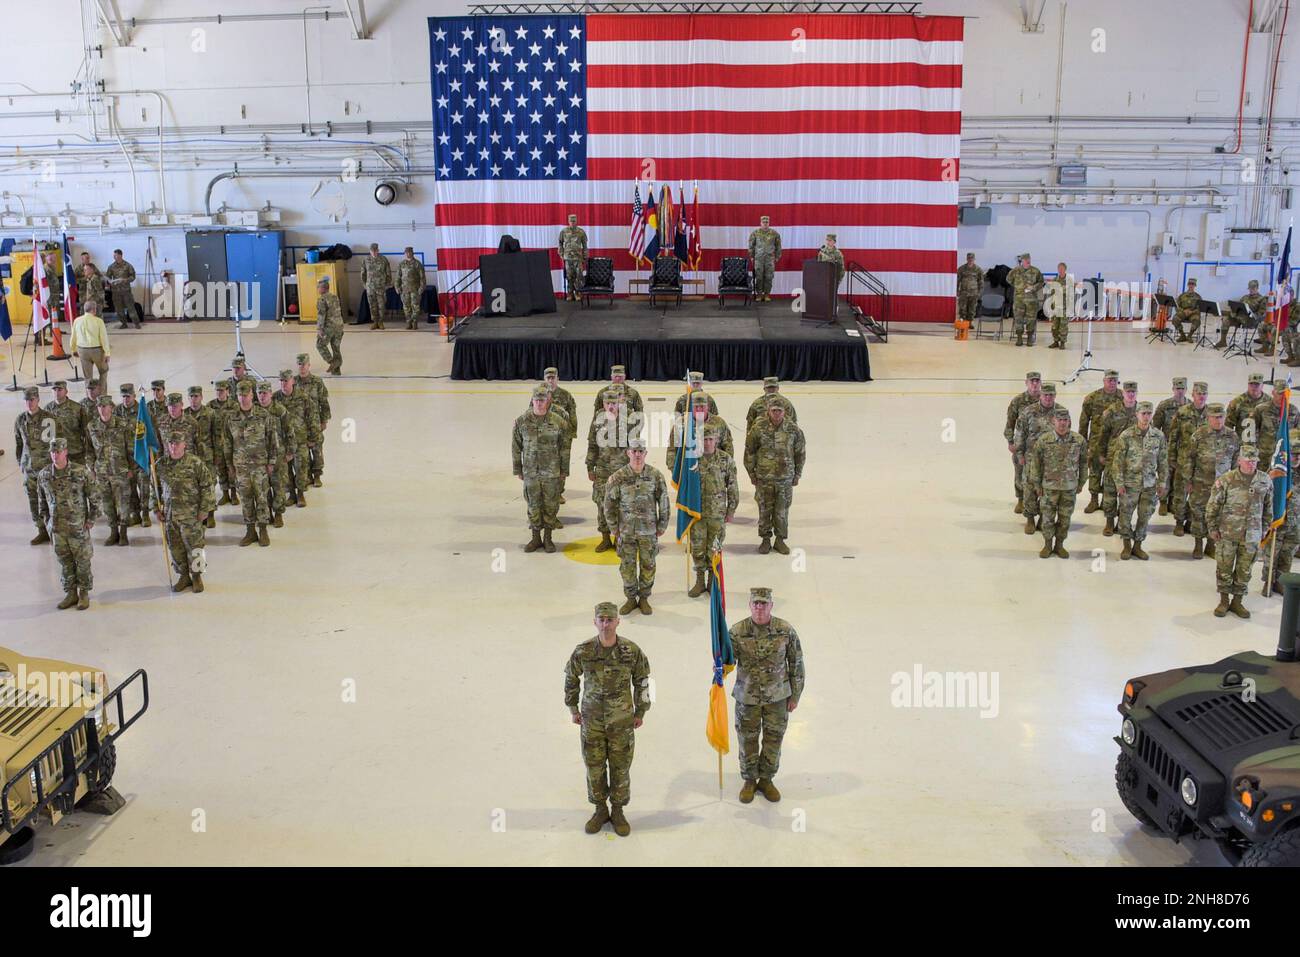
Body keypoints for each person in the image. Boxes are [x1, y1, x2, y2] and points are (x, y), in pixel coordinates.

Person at [563, 602, 651, 837]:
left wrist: (641, 711)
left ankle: (619, 811)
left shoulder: (631, 651)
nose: (605, 624)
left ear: (617, 622)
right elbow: (571, 678)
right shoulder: (584, 651)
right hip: (591, 721)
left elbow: (643, 679)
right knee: (594, 767)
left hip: (621, 721)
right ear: (595, 622)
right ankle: (600, 809)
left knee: (621, 767)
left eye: (610, 619)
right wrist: (572, 708)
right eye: (601, 619)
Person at [730, 587, 804, 804]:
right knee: (747, 740)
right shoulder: (737, 631)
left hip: (778, 698)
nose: (760, 608)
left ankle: (767, 779)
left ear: (771, 606)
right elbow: (727, 661)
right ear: (750, 605)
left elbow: (796, 663)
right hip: (747, 698)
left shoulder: (785, 630)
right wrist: (719, 664)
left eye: (764, 603)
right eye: (756, 603)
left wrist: (795, 696)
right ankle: (749, 780)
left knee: (774, 739)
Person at [603, 437, 670, 615]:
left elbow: (663, 501)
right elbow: (608, 504)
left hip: (648, 531)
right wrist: (613, 527)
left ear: (646, 453)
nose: (637, 455)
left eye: (641, 451)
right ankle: (631, 598)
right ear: (628, 453)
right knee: (627, 566)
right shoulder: (618, 477)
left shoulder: (655, 476)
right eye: (634, 451)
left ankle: (645, 598)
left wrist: (662, 524)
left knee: (648, 565)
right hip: (626, 532)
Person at [1206, 445, 1272, 619]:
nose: (1251, 464)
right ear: (1239, 460)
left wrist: (1264, 529)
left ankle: (1237, 601)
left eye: (1254, 461)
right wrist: (1212, 527)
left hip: (1252, 534)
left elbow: (1268, 509)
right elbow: (1213, 505)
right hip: (1227, 532)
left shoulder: (1265, 480)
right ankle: (1224, 600)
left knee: (1245, 570)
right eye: (1247, 461)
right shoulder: (1226, 479)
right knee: (1224, 567)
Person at [37, 438, 97, 610]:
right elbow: (42, 502)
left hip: (78, 527)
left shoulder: (80, 472)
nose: (56, 455)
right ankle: (70, 593)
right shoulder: (44, 475)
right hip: (57, 529)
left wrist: (91, 519)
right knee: (65, 562)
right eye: (53, 452)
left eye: (59, 451)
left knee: (83, 561)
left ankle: (84, 593)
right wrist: (47, 523)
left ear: (66, 452)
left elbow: (95, 497)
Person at [152, 434, 215, 594]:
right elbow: (155, 489)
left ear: (184, 444)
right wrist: (155, 508)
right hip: (170, 515)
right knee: (176, 548)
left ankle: (197, 577)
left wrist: (204, 509)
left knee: (195, 547)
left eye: (177, 443)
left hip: (191, 515)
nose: (174, 446)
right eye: (171, 443)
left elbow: (208, 486)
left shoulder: (194, 463)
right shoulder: (160, 465)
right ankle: (183, 577)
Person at [745, 396, 805, 555]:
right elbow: (750, 451)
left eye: (779, 411)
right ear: (768, 411)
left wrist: (797, 474)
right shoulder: (758, 428)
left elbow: (800, 453)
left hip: (785, 479)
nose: (777, 414)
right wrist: (751, 473)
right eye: (774, 411)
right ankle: (765, 540)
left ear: (785, 412)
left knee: (782, 510)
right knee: (764, 510)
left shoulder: (793, 430)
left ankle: (780, 540)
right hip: (764, 478)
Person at [512, 385, 569, 553]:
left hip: (551, 472)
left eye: (542, 400)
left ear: (547, 401)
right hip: (531, 472)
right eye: (536, 400)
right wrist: (518, 469)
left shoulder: (559, 422)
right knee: (533, 505)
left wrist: (563, 470)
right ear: (532, 401)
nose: (539, 403)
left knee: (551, 505)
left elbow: (564, 448)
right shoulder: (522, 421)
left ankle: (548, 538)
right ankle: (535, 538)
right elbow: (516, 447)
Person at [1110, 401, 1168, 561]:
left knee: (1145, 515)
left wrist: (1162, 482)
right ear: (1137, 414)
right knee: (1125, 515)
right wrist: (1119, 483)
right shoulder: (1127, 436)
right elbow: (1118, 461)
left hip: (1149, 484)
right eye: (1143, 413)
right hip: (1130, 484)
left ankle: (1138, 545)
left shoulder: (1158, 436)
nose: (1146, 417)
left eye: (1149, 414)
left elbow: (1163, 461)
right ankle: (1126, 545)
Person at [224, 380, 280, 547]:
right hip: (240, 467)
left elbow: (272, 440)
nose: (243, 399)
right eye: (240, 395)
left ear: (252, 395)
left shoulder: (264, 416)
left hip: (259, 466)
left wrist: (271, 462)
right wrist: (230, 465)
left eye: (246, 395)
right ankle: (250, 531)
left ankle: (263, 530)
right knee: (246, 499)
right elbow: (227, 443)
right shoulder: (231, 418)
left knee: (262, 497)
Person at [1182, 403, 1241, 561]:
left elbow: (1236, 460)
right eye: (1215, 417)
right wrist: (1188, 480)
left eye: (1221, 417)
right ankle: (1198, 543)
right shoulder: (1198, 435)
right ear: (1208, 418)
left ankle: (1211, 543)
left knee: (1217, 515)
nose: (1218, 420)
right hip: (1201, 483)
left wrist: (1235, 482)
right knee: (1198, 514)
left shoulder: (1232, 436)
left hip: (1222, 485)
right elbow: (1189, 459)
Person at [1026, 408, 1086, 558]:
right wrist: (1037, 485)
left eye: (1065, 420)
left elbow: (1084, 463)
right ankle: (1047, 545)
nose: (1062, 423)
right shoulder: (1044, 440)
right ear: (1053, 422)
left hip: (1069, 487)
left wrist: (1081, 483)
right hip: (1049, 487)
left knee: (1065, 518)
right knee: (1047, 518)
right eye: (1059, 420)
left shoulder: (1078, 441)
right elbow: (1036, 464)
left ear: (1069, 422)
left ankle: (1059, 545)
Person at [689, 422, 739, 596]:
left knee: (714, 547)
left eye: (711, 439)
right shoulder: (692, 460)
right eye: (704, 439)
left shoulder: (725, 460)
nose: (708, 442)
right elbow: (684, 488)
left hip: (717, 514)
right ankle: (699, 580)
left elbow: (732, 486)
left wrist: (731, 510)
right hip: (697, 514)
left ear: (716, 440)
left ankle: (712, 579)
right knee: (697, 547)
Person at [587, 388, 637, 553]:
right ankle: (605, 539)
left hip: (622, 471)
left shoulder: (628, 418)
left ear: (619, 402)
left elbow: (635, 445)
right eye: (607, 403)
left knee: (623, 506)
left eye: (613, 403)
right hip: (602, 471)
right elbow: (592, 444)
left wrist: (635, 468)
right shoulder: (598, 418)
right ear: (603, 403)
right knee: (602, 505)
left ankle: (619, 539)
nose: (610, 406)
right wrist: (590, 466)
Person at [87, 394, 134, 547]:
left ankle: (124, 532)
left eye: (105, 406)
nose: (102, 409)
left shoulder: (123, 424)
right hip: (101, 472)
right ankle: (113, 531)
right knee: (107, 503)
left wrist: (131, 468)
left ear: (112, 408)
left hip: (120, 470)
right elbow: (89, 450)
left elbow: (131, 448)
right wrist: (91, 468)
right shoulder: (92, 426)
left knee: (124, 502)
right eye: (100, 406)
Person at [1013, 383, 1058, 534]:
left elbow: (1066, 433)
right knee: (1030, 489)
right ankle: (1030, 519)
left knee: (1048, 490)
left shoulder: (1060, 412)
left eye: (1051, 395)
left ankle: (1044, 518)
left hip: (1052, 460)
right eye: (1045, 395)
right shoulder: (1028, 412)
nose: (1048, 398)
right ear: (1040, 395)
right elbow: (1020, 434)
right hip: (1031, 458)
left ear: (1055, 396)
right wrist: (1019, 454)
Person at [15, 386, 58, 544]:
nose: (29, 403)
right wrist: (21, 463)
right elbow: (19, 444)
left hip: (45, 468)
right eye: (26, 400)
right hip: (29, 468)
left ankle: (53, 530)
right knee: (33, 500)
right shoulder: (20, 420)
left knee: (50, 500)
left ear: (38, 400)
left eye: (32, 400)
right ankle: (41, 530)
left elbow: (56, 444)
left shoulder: (49, 419)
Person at [1096, 380, 1139, 536]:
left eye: (1133, 392)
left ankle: (1123, 522)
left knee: (1127, 492)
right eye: (1128, 391)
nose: (1131, 394)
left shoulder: (1140, 411)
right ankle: (1109, 522)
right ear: (1123, 393)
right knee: (1110, 490)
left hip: (1132, 461)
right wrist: (1101, 453)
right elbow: (1103, 434)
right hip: (1113, 457)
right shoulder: (1112, 411)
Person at [274, 369, 320, 509]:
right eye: (281, 381)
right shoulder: (276, 399)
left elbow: (312, 418)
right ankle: (292, 495)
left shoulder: (303, 397)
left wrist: (313, 438)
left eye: (286, 381)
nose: (283, 384)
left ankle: (300, 494)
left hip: (300, 440)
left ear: (292, 381)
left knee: (301, 468)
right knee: (285, 471)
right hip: (283, 443)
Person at [1167, 382, 1209, 534]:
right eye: (1199, 394)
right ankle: (1179, 521)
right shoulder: (1182, 412)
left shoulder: (1210, 414)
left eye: (1204, 394)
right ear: (1193, 394)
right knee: (1180, 492)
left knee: (1197, 495)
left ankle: (1190, 521)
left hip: (1202, 464)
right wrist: (1171, 457)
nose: (1201, 397)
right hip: (1183, 461)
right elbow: (1173, 436)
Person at [1079, 369, 1122, 513]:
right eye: (1109, 380)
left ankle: (1107, 501)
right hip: (1096, 442)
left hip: (1115, 443)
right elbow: (1084, 422)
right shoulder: (1092, 398)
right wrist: (1083, 443)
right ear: (1104, 381)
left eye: (1114, 380)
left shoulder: (1123, 398)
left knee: (1112, 473)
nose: (1112, 383)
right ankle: (1094, 500)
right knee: (1095, 472)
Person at [114, 383, 151, 527]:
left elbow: (151, 431)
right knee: (130, 487)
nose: (125, 399)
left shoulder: (142, 410)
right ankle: (135, 514)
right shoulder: (117, 411)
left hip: (141, 456)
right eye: (123, 396)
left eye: (128, 396)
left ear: (134, 396)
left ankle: (146, 514)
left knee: (144, 486)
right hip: (126, 457)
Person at [1005, 371, 1042, 513]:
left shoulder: (1046, 399)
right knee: (1020, 474)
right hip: (1022, 446)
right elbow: (1010, 423)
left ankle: (1037, 501)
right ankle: (1020, 499)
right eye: (1031, 381)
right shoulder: (1018, 401)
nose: (1034, 383)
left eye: (1037, 381)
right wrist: (1010, 442)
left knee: (1040, 474)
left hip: (1041, 447)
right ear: (1026, 383)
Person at [1152, 377, 1189, 515]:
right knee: (1165, 475)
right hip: (1167, 447)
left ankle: (1174, 502)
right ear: (1173, 389)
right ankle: (1163, 501)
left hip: (1183, 449)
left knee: (1178, 477)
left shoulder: (1190, 407)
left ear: (1186, 390)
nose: (1180, 391)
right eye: (1177, 389)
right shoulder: (1164, 406)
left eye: (1182, 389)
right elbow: (1155, 427)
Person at [257, 381, 292, 527]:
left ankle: (278, 514)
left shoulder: (280, 410)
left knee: (279, 487)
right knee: (263, 489)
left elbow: (289, 431)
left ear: (271, 394)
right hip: (260, 457)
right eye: (259, 393)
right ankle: (268, 514)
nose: (262, 396)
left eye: (265, 393)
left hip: (279, 455)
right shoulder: (255, 411)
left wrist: (290, 451)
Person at [185, 386, 219, 529]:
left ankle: (210, 514)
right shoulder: (184, 414)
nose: (194, 399)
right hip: (190, 458)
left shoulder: (210, 413)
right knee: (193, 487)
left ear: (201, 397)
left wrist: (217, 455)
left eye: (196, 396)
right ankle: (196, 515)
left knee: (209, 486)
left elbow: (217, 436)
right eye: (191, 396)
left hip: (207, 457)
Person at [295, 354, 330, 486]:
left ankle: (317, 475)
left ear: (309, 365)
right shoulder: (293, 382)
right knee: (303, 450)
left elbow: (324, 402)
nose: (302, 367)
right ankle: (307, 474)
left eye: (304, 364)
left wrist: (324, 420)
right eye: (299, 365)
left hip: (315, 422)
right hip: (299, 423)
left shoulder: (317, 382)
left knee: (316, 449)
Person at [45, 379, 91, 466]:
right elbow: (45, 434)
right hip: (57, 453)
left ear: (66, 391)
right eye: (54, 390)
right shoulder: (47, 410)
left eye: (60, 390)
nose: (57, 392)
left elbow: (86, 431)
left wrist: (87, 450)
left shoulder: (77, 408)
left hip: (75, 451)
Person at [208, 379, 239, 505]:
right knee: (220, 469)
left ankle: (233, 493)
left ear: (227, 391)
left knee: (232, 468)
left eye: (222, 390)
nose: (219, 393)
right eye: (217, 391)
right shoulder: (210, 406)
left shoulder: (235, 405)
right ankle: (225, 494)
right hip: (217, 444)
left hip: (231, 443)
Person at [70, 300, 112, 393]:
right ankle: (102, 395)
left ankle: (90, 397)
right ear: (94, 310)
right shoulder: (98, 321)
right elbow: (104, 338)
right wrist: (107, 353)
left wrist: (73, 349)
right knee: (103, 371)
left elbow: (73, 337)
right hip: (97, 350)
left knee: (88, 376)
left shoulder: (77, 320)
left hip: (82, 350)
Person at [1007, 252, 1044, 347]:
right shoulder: (1015, 271)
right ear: (1022, 261)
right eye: (1026, 260)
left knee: (1031, 319)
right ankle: (1019, 338)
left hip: (1031, 301)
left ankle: (1029, 338)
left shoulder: (1035, 271)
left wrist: (1034, 287)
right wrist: (1018, 286)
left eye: (1029, 260)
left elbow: (1041, 282)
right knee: (1018, 319)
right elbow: (1008, 279)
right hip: (1019, 300)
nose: (1028, 261)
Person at [748, 216, 782, 302]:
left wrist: (777, 256)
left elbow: (778, 246)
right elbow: (751, 246)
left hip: (769, 259)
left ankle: (767, 294)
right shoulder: (755, 233)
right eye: (764, 222)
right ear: (760, 223)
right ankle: (759, 294)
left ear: (769, 223)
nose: (765, 224)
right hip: (758, 259)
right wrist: (752, 257)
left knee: (769, 277)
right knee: (759, 277)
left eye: (767, 222)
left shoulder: (774, 234)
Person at [360, 242, 392, 329]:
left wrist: (388, 284)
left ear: (378, 250)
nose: (374, 252)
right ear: (370, 251)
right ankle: (375, 322)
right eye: (372, 251)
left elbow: (388, 273)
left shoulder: (383, 260)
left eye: (375, 250)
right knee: (372, 305)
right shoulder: (366, 260)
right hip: (370, 287)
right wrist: (365, 284)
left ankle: (381, 322)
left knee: (381, 305)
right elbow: (363, 273)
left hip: (381, 287)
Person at [1226, 372, 1268, 438]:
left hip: (1262, 445)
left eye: (1257, 384)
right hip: (1243, 444)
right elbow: (1228, 425)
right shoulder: (1237, 402)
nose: (1253, 387)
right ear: (1248, 385)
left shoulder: (1269, 402)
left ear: (1262, 386)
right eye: (1251, 384)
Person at [105, 249, 139, 328]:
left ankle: (136, 323)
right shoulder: (111, 267)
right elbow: (108, 278)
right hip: (115, 292)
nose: (114, 256)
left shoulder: (128, 265)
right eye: (113, 255)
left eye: (115, 255)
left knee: (131, 308)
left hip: (126, 291)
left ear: (120, 255)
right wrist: (109, 282)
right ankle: (124, 323)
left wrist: (125, 280)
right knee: (119, 309)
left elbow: (133, 276)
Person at [558, 214, 588, 301]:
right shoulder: (564, 232)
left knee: (579, 275)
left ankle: (578, 293)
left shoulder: (581, 232)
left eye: (574, 221)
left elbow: (585, 245)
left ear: (576, 221)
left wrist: (585, 255)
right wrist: (561, 253)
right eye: (571, 221)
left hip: (578, 258)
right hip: (568, 258)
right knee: (569, 276)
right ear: (568, 221)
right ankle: (570, 293)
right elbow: (560, 243)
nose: (572, 223)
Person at [396, 247, 424, 329]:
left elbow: (422, 278)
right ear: (404, 253)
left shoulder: (417, 264)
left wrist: (421, 288)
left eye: (409, 252)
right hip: (404, 290)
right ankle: (409, 322)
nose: (408, 254)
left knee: (415, 307)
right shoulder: (401, 264)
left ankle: (414, 322)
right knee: (406, 307)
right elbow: (398, 277)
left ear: (412, 253)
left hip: (415, 289)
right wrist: (397, 287)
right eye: (406, 252)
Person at [1044, 262, 1071, 348]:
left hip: (1065, 307)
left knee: (1063, 326)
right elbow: (1052, 293)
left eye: (1062, 269)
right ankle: (1056, 341)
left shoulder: (1069, 280)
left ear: (1065, 269)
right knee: (1055, 326)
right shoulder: (1055, 279)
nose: (1060, 270)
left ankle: (1062, 343)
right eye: (1059, 268)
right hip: (1056, 307)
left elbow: (1070, 294)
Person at [956, 253, 983, 328]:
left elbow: (981, 281)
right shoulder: (961, 269)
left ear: (974, 259)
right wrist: (957, 290)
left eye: (972, 258)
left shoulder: (978, 269)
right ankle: (963, 322)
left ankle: (970, 322)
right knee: (962, 308)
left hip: (974, 293)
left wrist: (979, 292)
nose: (970, 260)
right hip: (963, 292)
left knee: (972, 309)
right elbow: (958, 280)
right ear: (967, 259)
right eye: (969, 258)